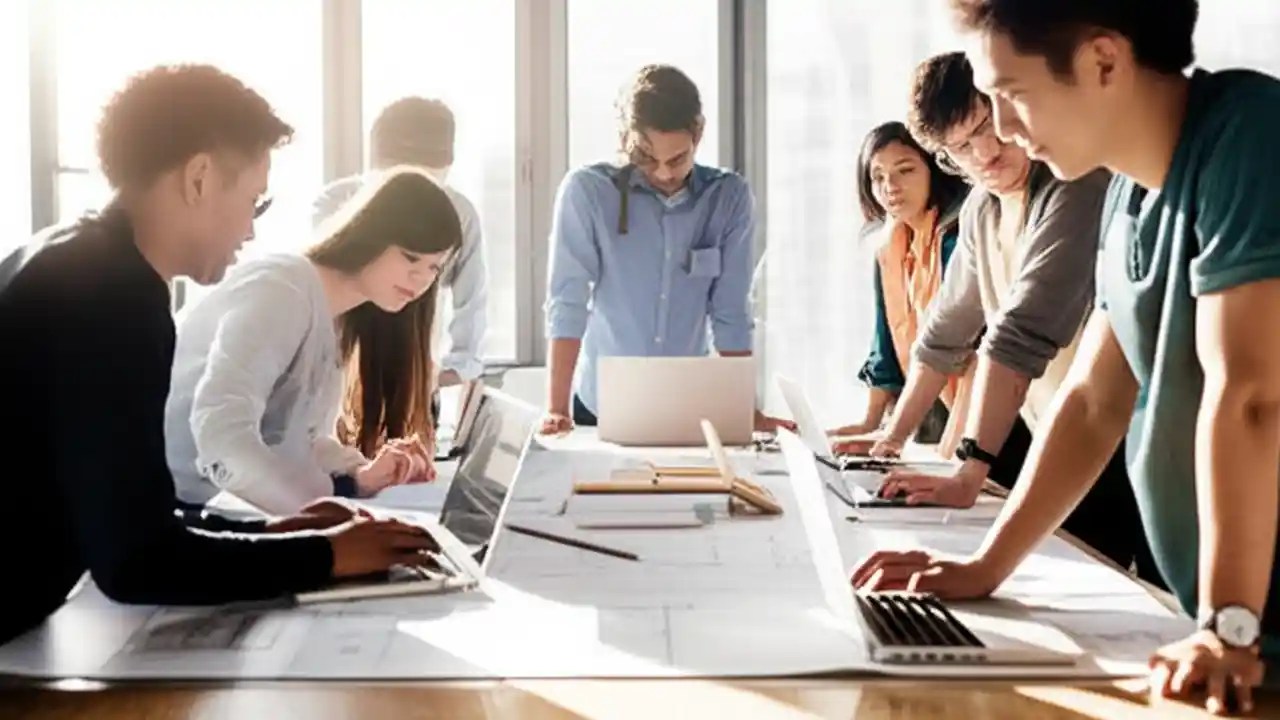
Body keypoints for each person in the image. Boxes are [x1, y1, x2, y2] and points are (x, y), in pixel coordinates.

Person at [855, 1, 1280, 712]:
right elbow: (1091, 403)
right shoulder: (1126, 194)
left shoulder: (1250, 137)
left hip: (1240, 631)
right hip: (1238, 637)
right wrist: (986, 565)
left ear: (1103, 62)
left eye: (1010, 95)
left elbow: (1252, 396)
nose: (1004, 128)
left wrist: (1227, 626)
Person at [0, 64, 437, 647]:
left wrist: (272, 535)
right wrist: (325, 556)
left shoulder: (69, 258)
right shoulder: (113, 296)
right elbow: (136, 563)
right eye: (254, 200)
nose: (250, 232)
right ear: (200, 178)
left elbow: (129, 518)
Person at [838, 52, 1155, 580]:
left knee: (1149, 594)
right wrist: (891, 438)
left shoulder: (1074, 185)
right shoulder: (982, 209)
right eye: (960, 147)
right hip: (1065, 437)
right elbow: (943, 335)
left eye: (987, 127)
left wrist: (969, 472)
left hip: (1127, 442)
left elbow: (1021, 331)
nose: (984, 153)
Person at [165, 167, 461, 515]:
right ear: (370, 234)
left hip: (206, 507)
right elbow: (221, 439)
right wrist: (322, 520)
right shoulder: (282, 291)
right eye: (411, 257)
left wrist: (359, 474)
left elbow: (291, 437)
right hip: (171, 509)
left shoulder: (334, 312)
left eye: (435, 268)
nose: (421, 278)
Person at [541, 64, 790, 435]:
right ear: (625, 138)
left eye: (677, 159)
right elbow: (568, 302)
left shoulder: (727, 197)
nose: (663, 173)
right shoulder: (587, 192)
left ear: (698, 133)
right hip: (599, 409)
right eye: (646, 157)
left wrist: (745, 410)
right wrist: (556, 410)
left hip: (686, 406)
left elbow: (731, 312)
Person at [313, 97, 488, 389]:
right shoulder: (334, 204)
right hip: (335, 373)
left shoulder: (459, 213)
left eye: (434, 266)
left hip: (414, 378)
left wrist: (455, 373)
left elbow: (472, 302)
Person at [828, 121, 971, 452]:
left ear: (934, 169)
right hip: (925, 410)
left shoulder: (957, 240)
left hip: (976, 412)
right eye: (877, 177)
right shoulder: (889, 247)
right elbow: (885, 345)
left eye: (905, 170)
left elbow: (969, 351)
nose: (890, 186)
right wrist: (869, 423)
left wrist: (952, 455)